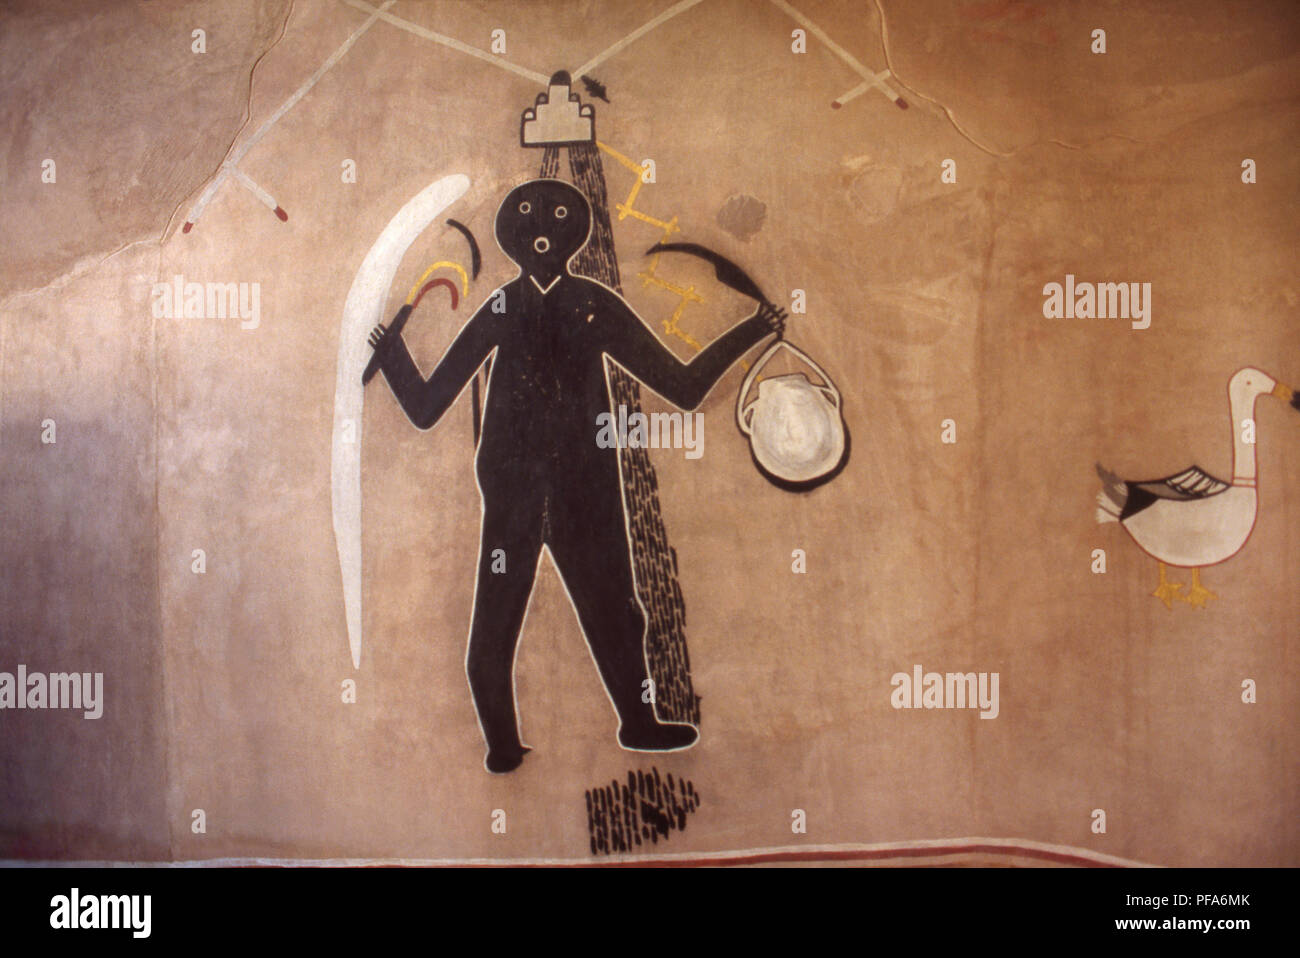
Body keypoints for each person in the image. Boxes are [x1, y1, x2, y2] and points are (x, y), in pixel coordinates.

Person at [369, 178, 783, 773]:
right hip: (511, 493)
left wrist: (752, 330)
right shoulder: (502, 308)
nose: (543, 228)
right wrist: (394, 360)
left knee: (617, 611)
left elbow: (683, 387)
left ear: (575, 229)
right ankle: (503, 747)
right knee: (494, 626)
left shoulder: (594, 303)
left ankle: (639, 725)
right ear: (510, 233)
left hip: (584, 490)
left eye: (558, 216)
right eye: (531, 216)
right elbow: (429, 406)